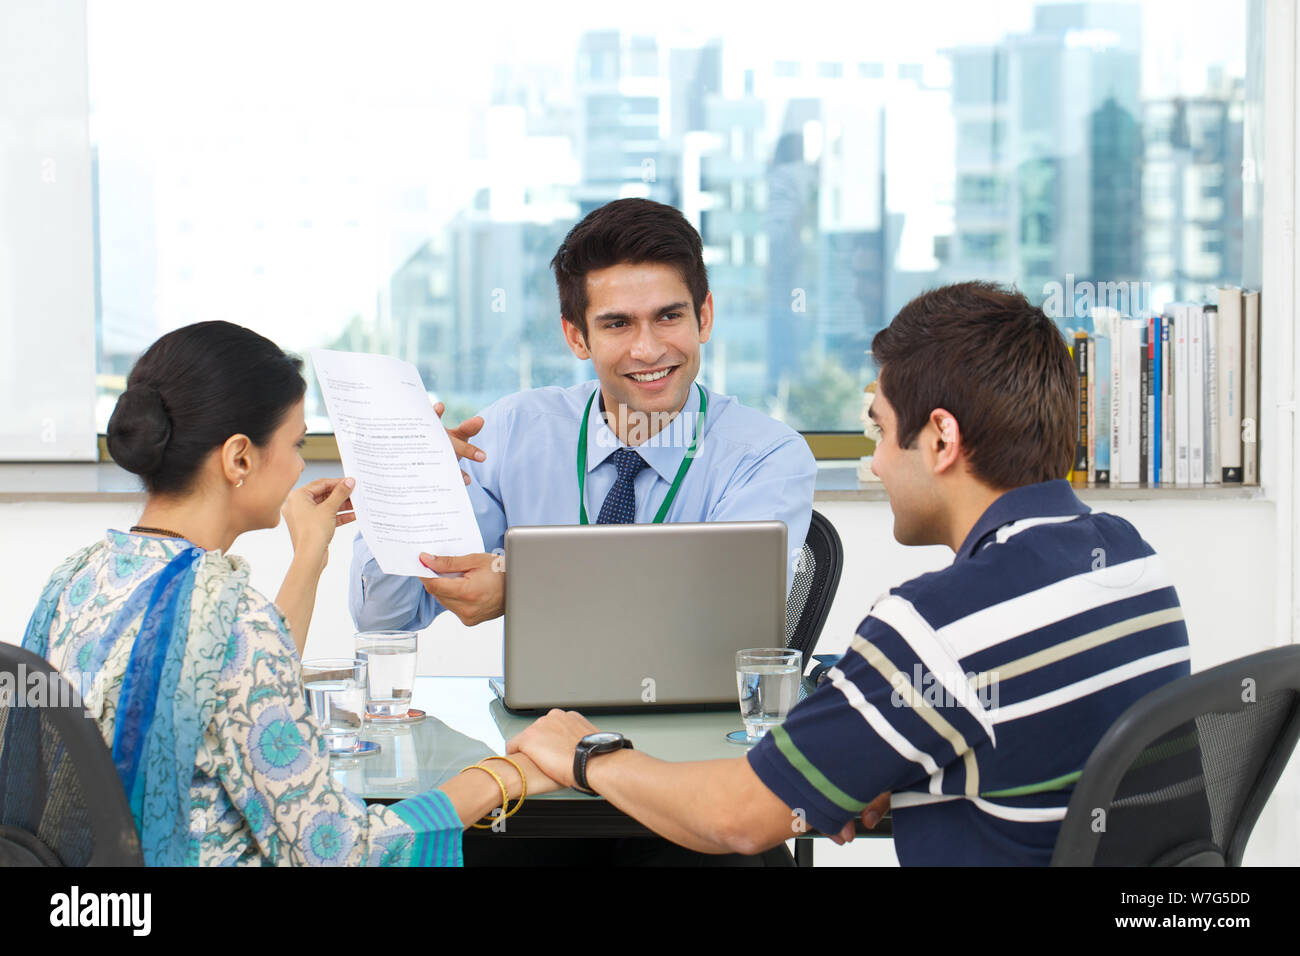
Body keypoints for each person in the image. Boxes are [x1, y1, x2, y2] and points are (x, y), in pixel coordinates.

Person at [506, 282, 1192, 866]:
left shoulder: (935, 625)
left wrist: (590, 753)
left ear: (942, 439)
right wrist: (899, 763)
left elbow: (736, 819)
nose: (879, 464)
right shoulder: (1131, 563)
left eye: (882, 431)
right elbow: (1032, 744)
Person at [22, 321, 558, 867]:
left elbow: (234, 676)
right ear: (239, 458)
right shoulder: (234, 623)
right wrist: (499, 775)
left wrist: (311, 554)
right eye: (296, 442)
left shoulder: (78, 578)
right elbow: (345, 852)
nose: (302, 463)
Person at [349, 198, 818, 631]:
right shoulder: (513, 432)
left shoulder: (767, 457)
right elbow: (384, 617)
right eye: (618, 324)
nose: (649, 349)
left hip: (701, 720)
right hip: (543, 718)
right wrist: (403, 489)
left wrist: (527, 586)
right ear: (576, 338)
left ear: (705, 317)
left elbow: (722, 616)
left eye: (669, 317)